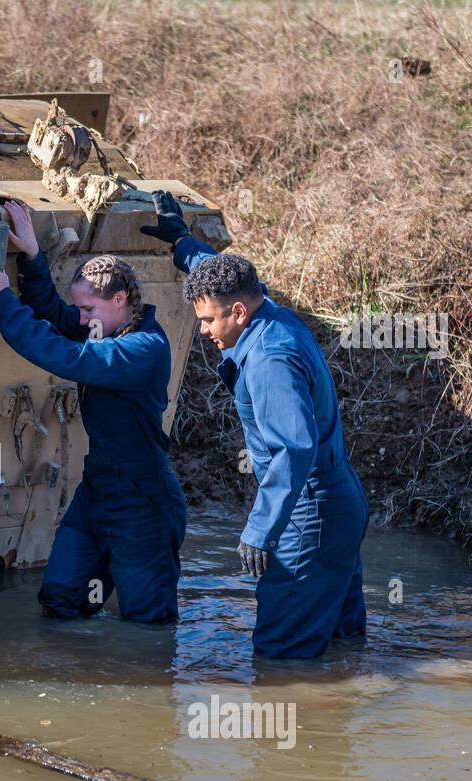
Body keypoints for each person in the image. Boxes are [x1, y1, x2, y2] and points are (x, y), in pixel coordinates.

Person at [141, 192, 368, 658]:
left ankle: (287, 728)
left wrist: (260, 530)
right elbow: (230, 275)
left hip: (308, 516)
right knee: (342, 645)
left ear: (238, 313)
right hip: (336, 508)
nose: (203, 331)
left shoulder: (268, 360)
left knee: (280, 655)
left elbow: (293, 450)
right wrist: (182, 242)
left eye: (206, 321)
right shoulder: (270, 313)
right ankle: (347, 720)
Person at [0, 200, 187, 624]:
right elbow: (54, 317)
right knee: (61, 601)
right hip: (98, 492)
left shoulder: (142, 349)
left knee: (147, 624)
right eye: (82, 310)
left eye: (89, 309)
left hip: (143, 503)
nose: (83, 317)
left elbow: (66, 357)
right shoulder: (105, 326)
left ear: (121, 299)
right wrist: (33, 257)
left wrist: (1, 300)